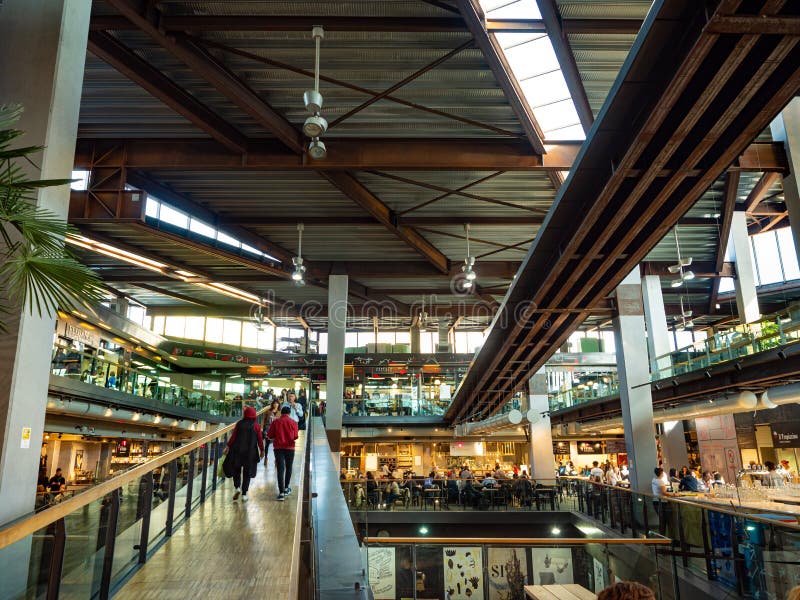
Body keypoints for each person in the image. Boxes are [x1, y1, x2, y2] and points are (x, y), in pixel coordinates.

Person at [223, 406, 264, 502]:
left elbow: (233, 436)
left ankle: (237, 487)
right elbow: (260, 439)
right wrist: (262, 450)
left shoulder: (239, 424)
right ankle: (244, 493)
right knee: (247, 473)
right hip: (250, 453)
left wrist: (227, 446)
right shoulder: (256, 426)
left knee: (236, 470)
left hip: (237, 451)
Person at [267, 405, 299, 501]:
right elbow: (295, 436)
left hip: (278, 448)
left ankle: (281, 493)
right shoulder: (293, 422)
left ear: (281, 413)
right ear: (289, 413)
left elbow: (270, 435)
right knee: (289, 467)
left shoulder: (276, 422)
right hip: (290, 448)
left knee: (280, 469)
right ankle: (286, 488)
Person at [651, 467, 675, 535]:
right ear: (661, 473)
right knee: (667, 521)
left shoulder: (653, 480)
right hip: (662, 503)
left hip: (655, 501)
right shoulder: (660, 481)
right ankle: (669, 537)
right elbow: (664, 492)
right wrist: (674, 494)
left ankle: (663, 537)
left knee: (662, 520)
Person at [261, 399, 281, 466]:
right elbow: (263, 420)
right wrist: (262, 428)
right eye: (274, 403)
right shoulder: (268, 411)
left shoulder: (280, 412)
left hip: (277, 430)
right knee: (267, 444)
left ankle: (276, 460)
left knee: (276, 446)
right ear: (272, 404)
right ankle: (266, 458)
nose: (275, 404)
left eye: (277, 403)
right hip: (268, 429)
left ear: (279, 404)